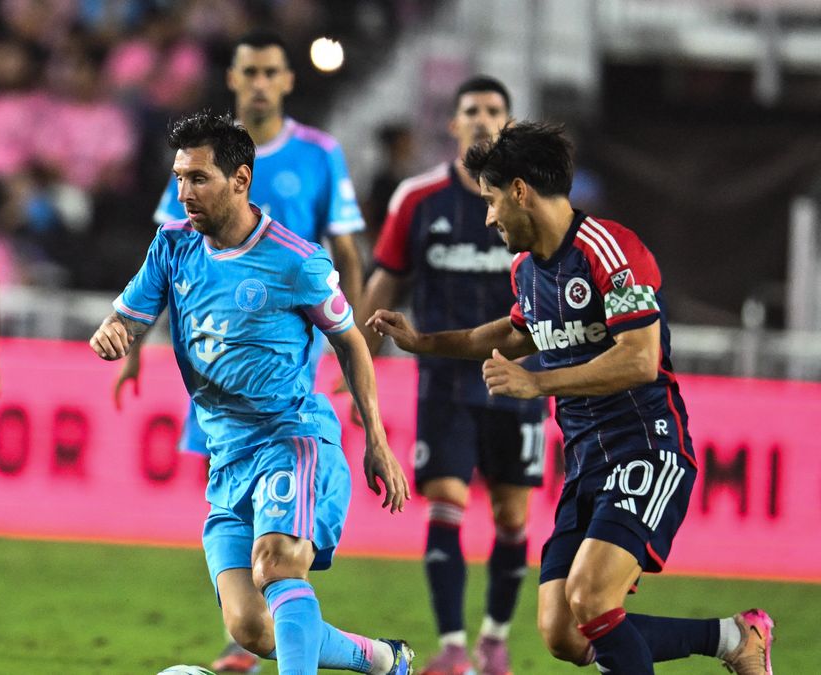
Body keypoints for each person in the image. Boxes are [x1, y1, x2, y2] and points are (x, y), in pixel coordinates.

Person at [367, 121, 774, 675]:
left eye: (490, 201)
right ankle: (734, 638)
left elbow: (639, 358)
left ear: (518, 191)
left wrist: (538, 383)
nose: (488, 218)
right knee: (564, 633)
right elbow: (511, 334)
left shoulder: (610, 250)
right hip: (586, 465)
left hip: (646, 449)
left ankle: (734, 640)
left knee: (590, 598)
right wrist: (421, 341)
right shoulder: (526, 271)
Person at [91, 111, 413, 675]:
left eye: (199, 178)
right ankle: (382, 659)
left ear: (240, 179)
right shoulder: (172, 247)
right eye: (179, 177)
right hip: (228, 457)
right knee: (249, 627)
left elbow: (352, 344)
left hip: (293, 438)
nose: (183, 192)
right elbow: (126, 317)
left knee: (279, 562)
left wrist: (377, 440)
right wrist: (114, 332)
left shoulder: (297, 260)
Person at [117, 33, 366, 671]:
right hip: (213, 374)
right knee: (245, 561)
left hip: (286, 365)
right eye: (248, 71)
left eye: (269, 72)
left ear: (286, 80)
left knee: (277, 556)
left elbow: (344, 251)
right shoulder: (191, 187)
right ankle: (335, 649)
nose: (258, 82)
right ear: (233, 77)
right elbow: (165, 261)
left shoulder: (318, 154)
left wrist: (357, 344)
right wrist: (134, 343)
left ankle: (268, 608)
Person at [357, 76, 543, 675]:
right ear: (454, 125)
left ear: (509, 125)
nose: (484, 118)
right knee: (445, 501)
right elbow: (385, 280)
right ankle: (456, 649)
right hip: (443, 381)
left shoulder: (532, 198)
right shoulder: (418, 199)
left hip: (518, 378)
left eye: (495, 109)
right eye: (473, 110)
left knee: (513, 516)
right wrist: (355, 352)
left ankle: (495, 638)